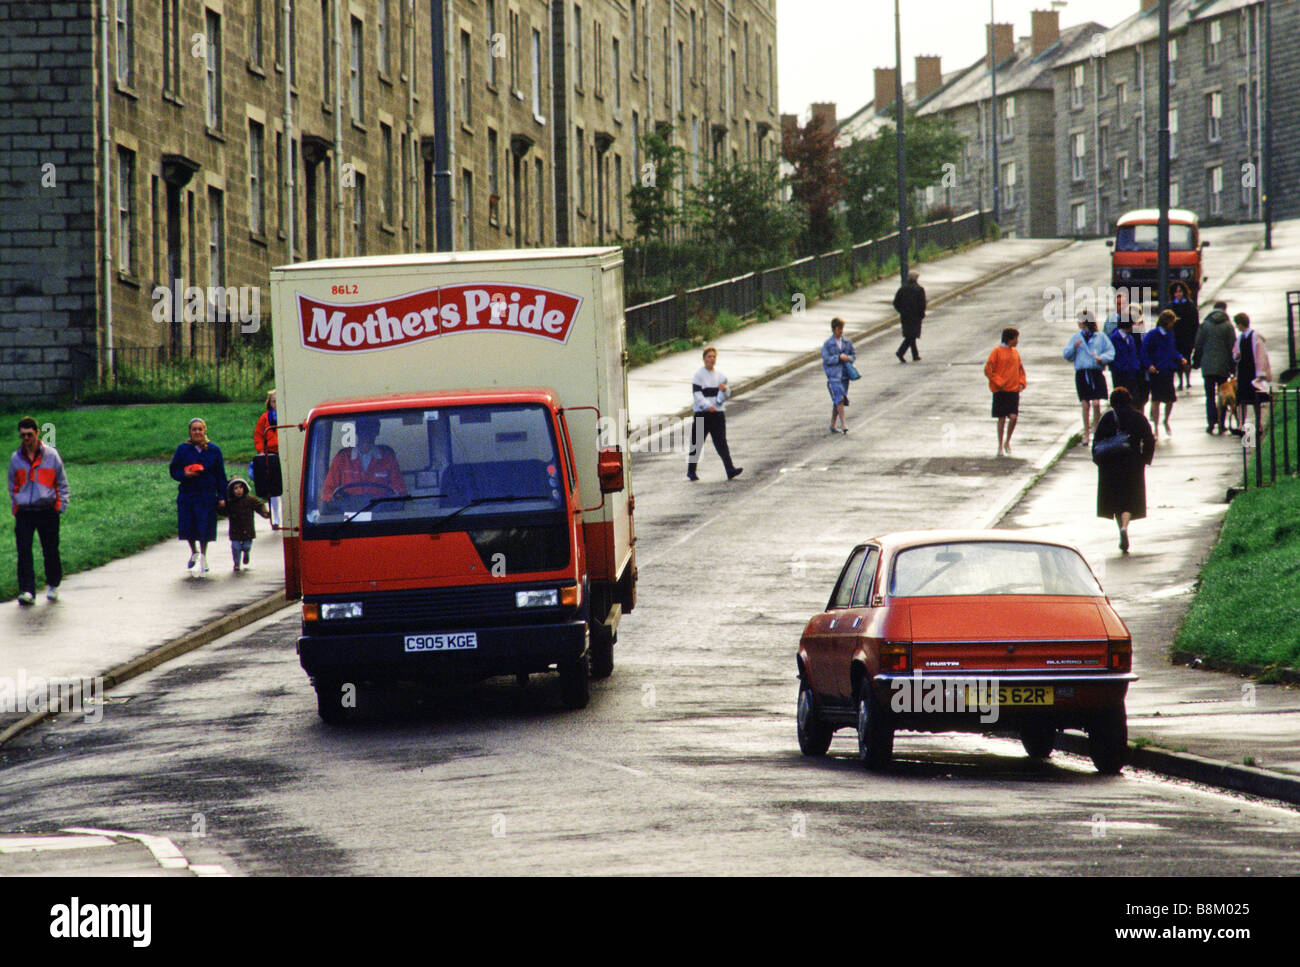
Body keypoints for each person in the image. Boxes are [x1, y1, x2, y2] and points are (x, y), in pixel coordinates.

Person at [8, 417, 69, 605]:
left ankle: (53, 585)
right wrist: (17, 505)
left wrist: (60, 505)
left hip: (47, 509)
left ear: (37, 433)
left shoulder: (51, 455)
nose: (26, 438)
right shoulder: (16, 458)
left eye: (30, 434)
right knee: (24, 550)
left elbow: (61, 482)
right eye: (23, 435)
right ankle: (27, 590)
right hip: (25, 511)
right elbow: (12, 484)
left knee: (50, 549)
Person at [1093, 387, 1156, 555]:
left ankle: (1120, 528)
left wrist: (1098, 461)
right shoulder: (1138, 417)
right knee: (1129, 499)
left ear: (1112, 402)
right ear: (1129, 400)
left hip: (1110, 465)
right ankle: (1124, 526)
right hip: (1132, 463)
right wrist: (1145, 458)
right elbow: (1149, 439)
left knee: (1115, 500)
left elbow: (1097, 442)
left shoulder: (1107, 418)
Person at [169, 417, 227, 575]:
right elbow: (174, 470)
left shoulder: (214, 450)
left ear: (205, 430)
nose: (197, 432)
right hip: (188, 494)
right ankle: (193, 550)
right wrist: (184, 474)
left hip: (206, 494)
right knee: (189, 526)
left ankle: (203, 555)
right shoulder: (183, 449)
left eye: (200, 429)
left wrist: (222, 496)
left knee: (204, 526)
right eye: (194, 429)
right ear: (190, 432)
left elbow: (221, 475)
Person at [320, 415, 408, 502]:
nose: (366, 433)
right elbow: (327, 493)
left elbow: (400, 491)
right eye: (362, 428)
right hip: (348, 514)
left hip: (381, 513)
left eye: (370, 428)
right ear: (357, 431)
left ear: (377, 431)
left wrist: (391, 499)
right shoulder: (342, 458)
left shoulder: (388, 458)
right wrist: (337, 498)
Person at [687, 346, 743, 482]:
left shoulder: (720, 376)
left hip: (717, 414)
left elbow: (724, 395)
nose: (711, 359)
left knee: (721, 442)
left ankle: (730, 469)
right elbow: (697, 395)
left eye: (713, 357)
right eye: (709, 357)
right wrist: (707, 406)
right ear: (704, 358)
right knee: (697, 442)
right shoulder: (698, 376)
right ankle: (691, 471)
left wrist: (724, 392)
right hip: (702, 414)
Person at [1063, 310, 1114, 446]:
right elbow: (1067, 355)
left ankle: (1096, 430)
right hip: (1082, 373)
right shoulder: (1076, 337)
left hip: (1095, 372)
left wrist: (1101, 358)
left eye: (1080, 320)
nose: (1078, 323)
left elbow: (1110, 351)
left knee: (1097, 403)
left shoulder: (1100, 337)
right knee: (1085, 404)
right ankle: (1086, 433)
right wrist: (1074, 348)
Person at [1191, 301, 1236, 433]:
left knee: (1209, 396)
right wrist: (1233, 367)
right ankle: (1222, 423)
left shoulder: (1205, 325)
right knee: (1223, 395)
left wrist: (1196, 361)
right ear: (1224, 310)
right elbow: (1232, 347)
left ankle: (1211, 423)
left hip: (1208, 366)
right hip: (1223, 367)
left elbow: (1198, 344)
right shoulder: (1228, 326)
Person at [1142, 309, 1186, 440]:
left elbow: (1172, 350)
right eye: (1172, 322)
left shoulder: (1170, 334)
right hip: (1157, 371)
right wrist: (1149, 365)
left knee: (1170, 399)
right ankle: (1155, 427)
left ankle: (1166, 419)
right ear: (1166, 322)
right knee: (1156, 400)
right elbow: (1144, 352)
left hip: (1168, 370)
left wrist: (1180, 357)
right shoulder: (1152, 335)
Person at [984, 327, 1026, 457]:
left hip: (1013, 390)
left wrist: (1021, 382)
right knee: (1001, 418)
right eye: (1015, 339)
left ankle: (1007, 441)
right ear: (1009, 339)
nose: (1017, 341)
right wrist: (998, 383)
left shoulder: (1015, 353)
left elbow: (1020, 369)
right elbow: (988, 369)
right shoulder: (996, 352)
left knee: (1013, 417)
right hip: (1001, 391)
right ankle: (1000, 444)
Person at [1231, 312, 1274, 437]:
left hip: (1253, 372)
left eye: (1237, 324)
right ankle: (1242, 425)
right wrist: (1236, 356)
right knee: (1242, 399)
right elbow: (1235, 351)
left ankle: (1258, 424)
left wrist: (1260, 373)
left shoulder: (1255, 337)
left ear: (1240, 324)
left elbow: (1261, 355)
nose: (1236, 327)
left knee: (1256, 399)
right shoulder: (1240, 338)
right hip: (1243, 371)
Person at [253, 389, 283, 528]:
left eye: (278, 400)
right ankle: (275, 518)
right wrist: (261, 450)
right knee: (274, 488)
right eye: (273, 401)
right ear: (269, 403)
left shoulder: (285, 416)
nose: (276, 404)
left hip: (284, 453)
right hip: (271, 455)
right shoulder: (265, 418)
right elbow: (258, 435)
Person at [226, 478, 270, 571]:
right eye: (236, 488)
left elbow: (260, 506)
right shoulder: (230, 502)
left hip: (248, 529)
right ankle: (236, 563)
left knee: (247, 546)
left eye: (241, 487)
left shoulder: (250, 500)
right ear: (231, 491)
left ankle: (246, 554)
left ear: (244, 488)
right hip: (235, 530)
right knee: (236, 547)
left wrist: (264, 513)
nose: (239, 490)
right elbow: (222, 511)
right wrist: (218, 506)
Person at [821, 317, 855, 434]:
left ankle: (833, 425)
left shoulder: (847, 342)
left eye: (842, 329)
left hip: (845, 376)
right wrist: (838, 358)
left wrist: (848, 358)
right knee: (840, 398)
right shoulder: (828, 344)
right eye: (839, 329)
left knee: (837, 400)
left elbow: (853, 355)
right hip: (833, 376)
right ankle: (844, 424)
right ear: (834, 329)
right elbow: (826, 359)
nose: (841, 331)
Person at [1108, 313, 1147, 410]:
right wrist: (1120, 368)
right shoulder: (1113, 338)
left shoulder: (1130, 338)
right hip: (1120, 375)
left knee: (1134, 400)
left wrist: (1136, 367)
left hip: (1132, 374)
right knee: (1120, 402)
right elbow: (1112, 357)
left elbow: (1133, 355)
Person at [1167, 282, 1200, 391]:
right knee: (1178, 360)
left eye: (1180, 291)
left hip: (1188, 337)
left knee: (1187, 358)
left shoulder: (1190, 305)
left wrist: (1195, 337)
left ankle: (1187, 379)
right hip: (1176, 338)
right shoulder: (1171, 306)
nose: (1178, 294)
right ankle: (1181, 380)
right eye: (1176, 292)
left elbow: (1195, 322)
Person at [893, 271, 926, 363]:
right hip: (915, 316)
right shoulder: (919, 289)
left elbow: (896, 302)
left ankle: (915, 355)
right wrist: (922, 313)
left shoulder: (902, 289)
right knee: (912, 336)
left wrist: (901, 311)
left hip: (905, 316)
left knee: (910, 335)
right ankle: (900, 352)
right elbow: (922, 304)